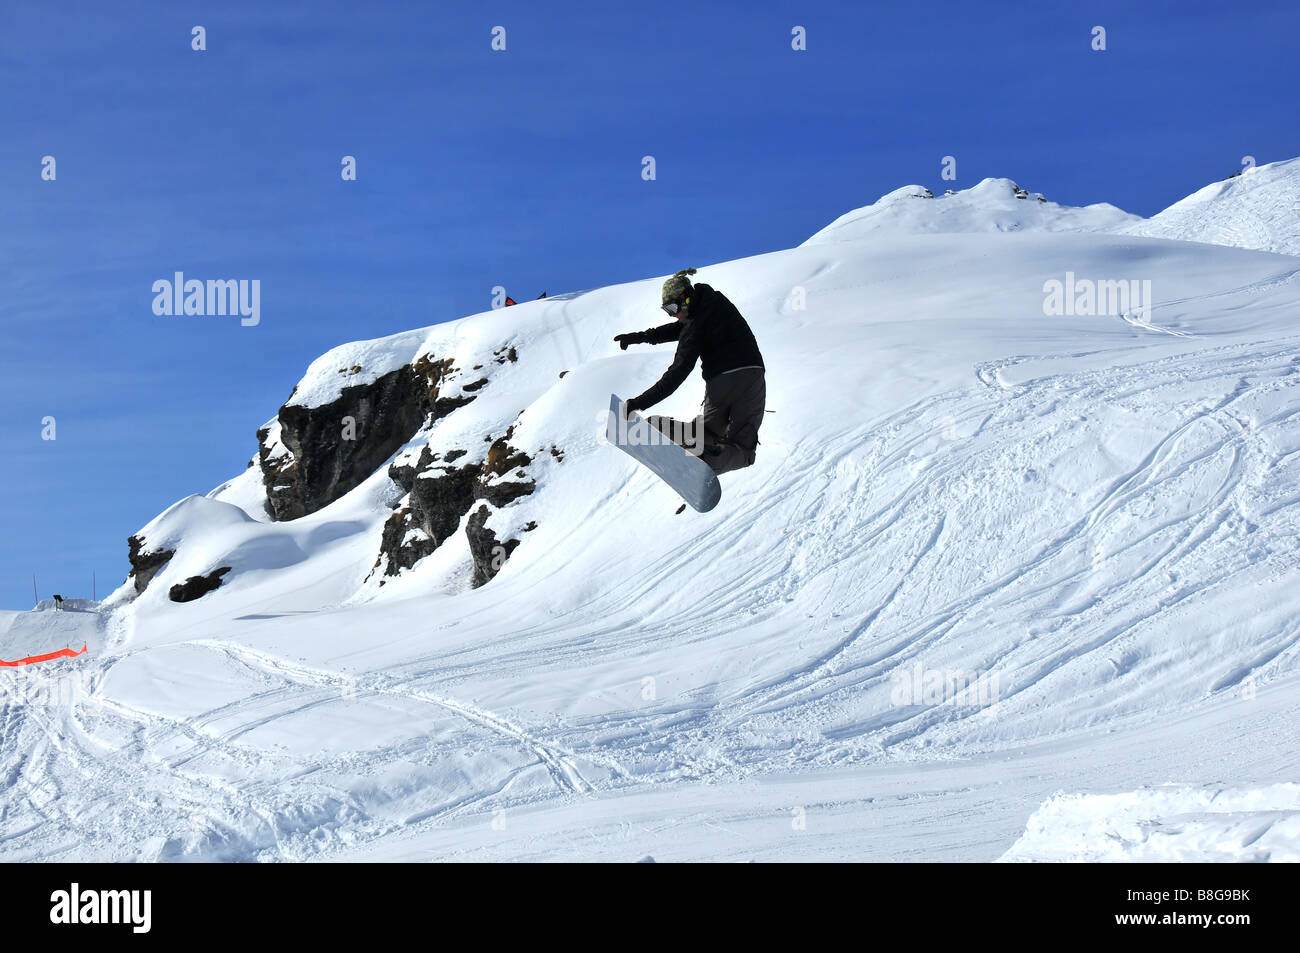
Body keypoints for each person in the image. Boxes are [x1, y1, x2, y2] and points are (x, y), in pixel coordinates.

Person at [614, 268, 766, 474]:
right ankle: (702, 455)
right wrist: (641, 336)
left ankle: (666, 433)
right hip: (749, 376)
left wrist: (640, 402)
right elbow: (681, 328)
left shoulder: (695, 324)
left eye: (674, 307)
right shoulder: (713, 303)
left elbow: (677, 372)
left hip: (725, 383)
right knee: (738, 446)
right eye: (668, 310)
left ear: (686, 298)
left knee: (712, 437)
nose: (673, 314)